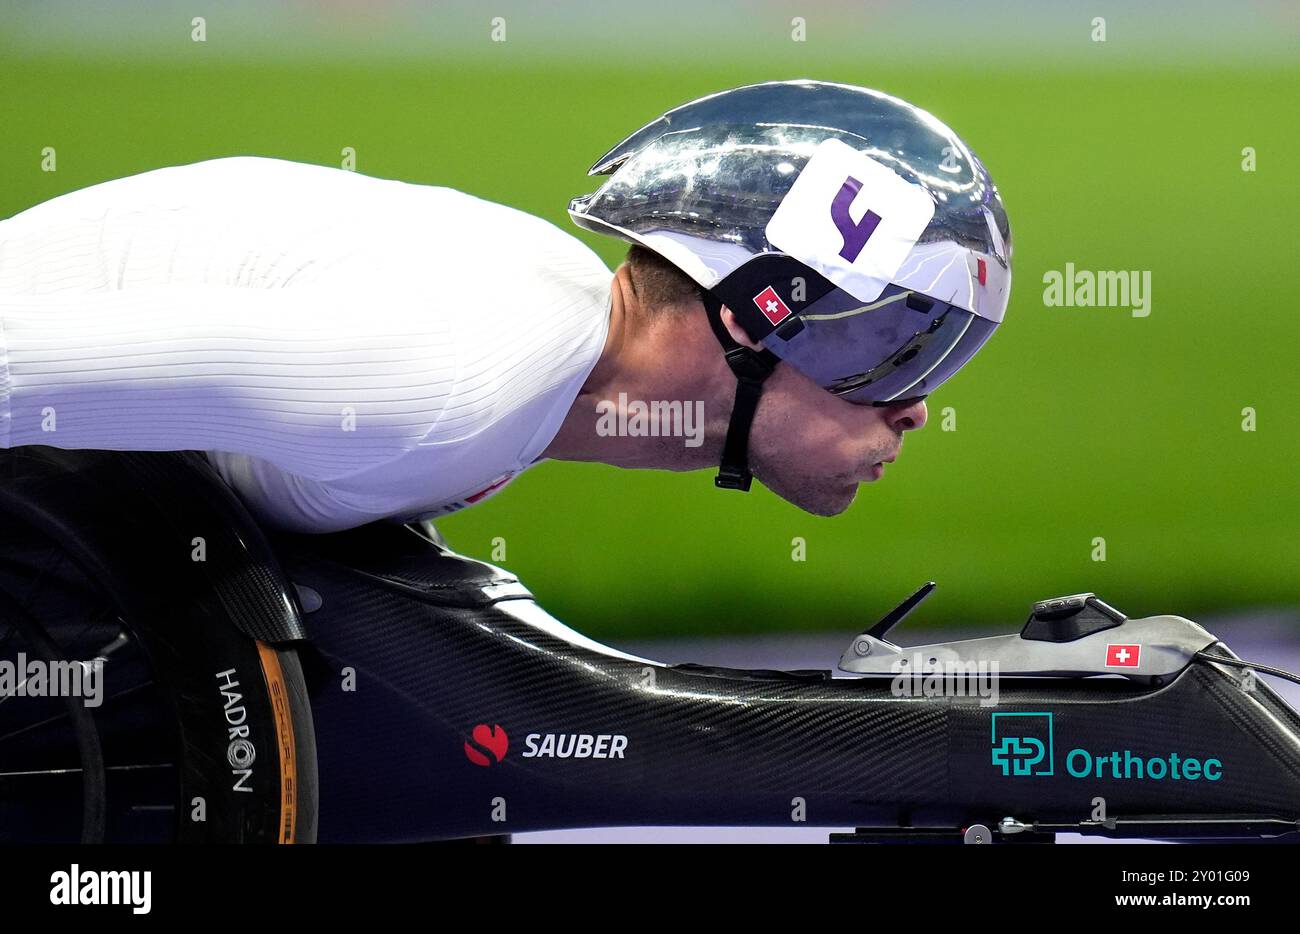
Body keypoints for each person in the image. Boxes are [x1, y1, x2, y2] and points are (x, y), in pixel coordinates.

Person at [0, 79, 1011, 534]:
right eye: (888, 347)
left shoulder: (527, 351)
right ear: (752, 313)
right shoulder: (455, 378)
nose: (914, 405)